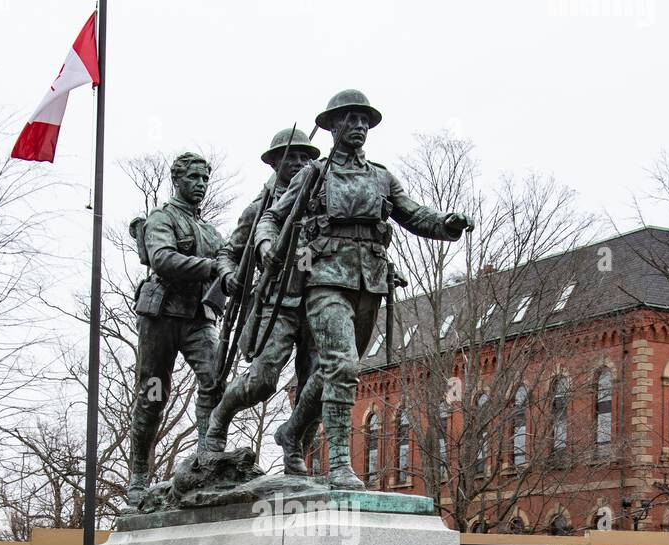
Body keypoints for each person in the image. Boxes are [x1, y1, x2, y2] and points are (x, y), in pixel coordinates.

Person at [254, 88, 472, 489]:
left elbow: (414, 215)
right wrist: (267, 245)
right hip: (323, 280)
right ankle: (339, 462)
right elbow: (271, 217)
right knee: (345, 367)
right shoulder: (313, 175)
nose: (358, 127)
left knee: (329, 372)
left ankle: (291, 432)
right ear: (333, 126)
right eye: (349, 119)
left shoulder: (382, 177)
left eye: (363, 121)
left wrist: (446, 225)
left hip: (369, 281)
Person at [204, 128, 321, 473]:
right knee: (262, 381)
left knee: (317, 382)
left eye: (305, 157)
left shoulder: (321, 196)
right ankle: (220, 416)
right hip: (276, 302)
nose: (300, 163)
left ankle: (296, 450)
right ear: (273, 162)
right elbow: (229, 252)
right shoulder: (260, 209)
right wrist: (229, 277)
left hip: (319, 300)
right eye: (291, 157)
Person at [126, 152, 224, 507]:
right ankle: (138, 475)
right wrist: (212, 267)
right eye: (194, 178)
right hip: (161, 316)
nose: (200, 185)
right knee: (153, 396)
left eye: (204, 180)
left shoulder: (212, 232)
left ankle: (205, 461)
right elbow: (163, 259)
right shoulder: (161, 219)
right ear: (177, 180)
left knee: (215, 380)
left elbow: (231, 263)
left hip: (198, 319)